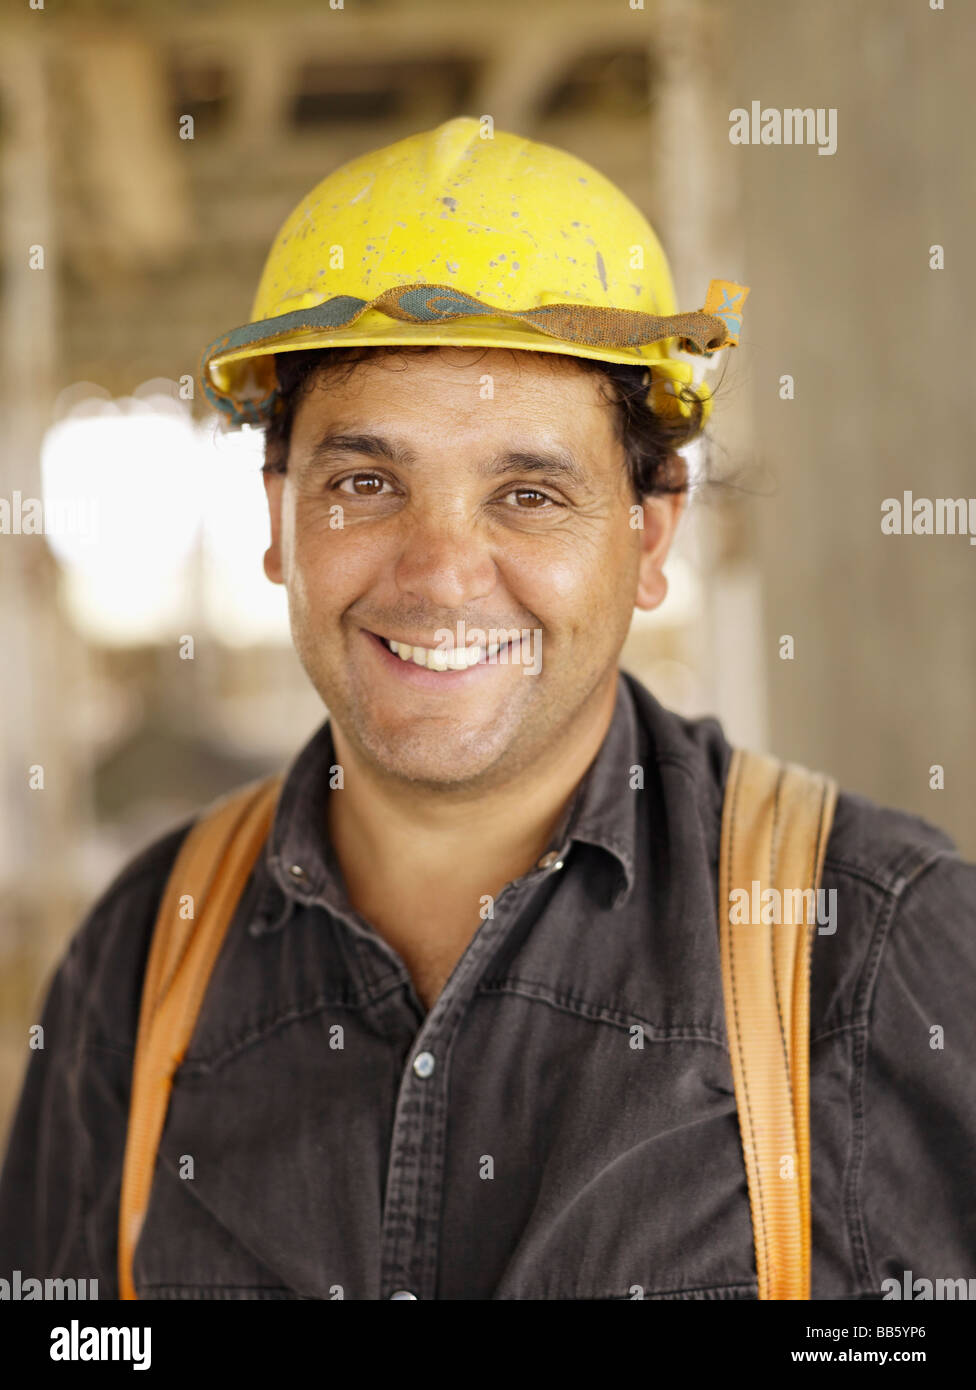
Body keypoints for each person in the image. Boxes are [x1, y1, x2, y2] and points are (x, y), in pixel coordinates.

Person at [1, 117, 973, 1302]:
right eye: (366, 483)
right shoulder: (144, 952)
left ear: (648, 532)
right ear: (279, 516)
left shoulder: (869, 946)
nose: (441, 572)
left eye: (527, 492)